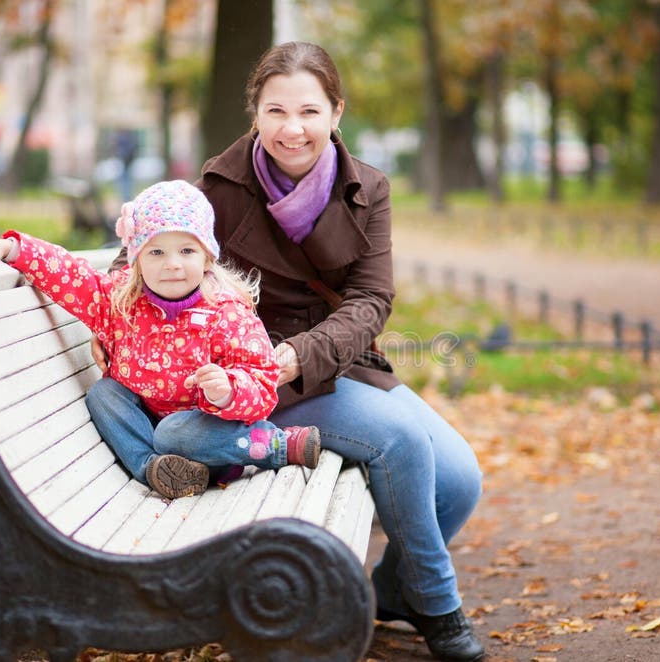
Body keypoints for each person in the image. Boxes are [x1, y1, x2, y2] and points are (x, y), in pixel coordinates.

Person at [90, 42, 486, 661]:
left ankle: (391, 595)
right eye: (276, 111)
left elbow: (371, 298)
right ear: (256, 114)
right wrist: (116, 314)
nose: (292, 129)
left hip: (329, 358)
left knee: (460, 481)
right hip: (245, 377)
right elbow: (142, 254)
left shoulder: (367, 189)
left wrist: (305, 353)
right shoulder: (222, 185)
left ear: (336, 112)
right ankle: (438, 606)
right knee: (400, 444)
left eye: (308, 111)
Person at [0, 179, 321, 501]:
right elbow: (70, 275)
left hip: (207, 435)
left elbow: (262, 381)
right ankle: (156, 471)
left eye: (187, 251)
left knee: (175, 431)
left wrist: (226, 389)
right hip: (150, 431)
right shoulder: (121, 303)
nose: (172, 264)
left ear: (208, 257)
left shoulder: (226, 313)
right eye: (157, 252)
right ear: (136, 259)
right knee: (104, 394)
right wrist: (14, 249)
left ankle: (272, 445)